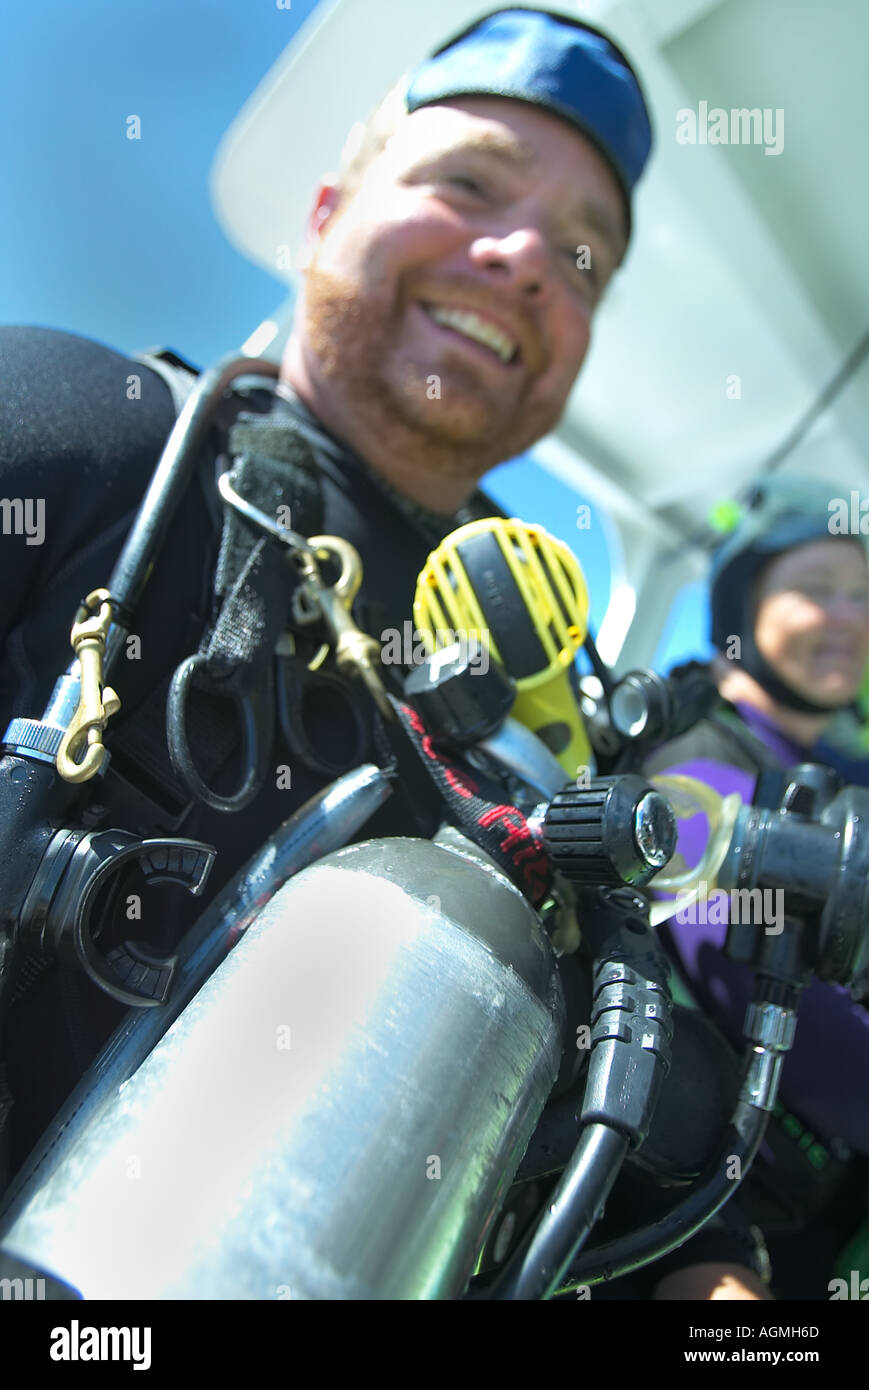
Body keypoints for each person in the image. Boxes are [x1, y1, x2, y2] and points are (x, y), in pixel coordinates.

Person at [0, 7, 766, 1299]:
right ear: (323, 214)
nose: (528, 256)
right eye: (466, 183)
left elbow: (650, 1191)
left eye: (583, 256)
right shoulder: (74, 440)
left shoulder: (567, 716)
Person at [644, 475, 869, 1299]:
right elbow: (836, 1062)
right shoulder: (691, 773)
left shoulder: (833, 770)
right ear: (742, 611)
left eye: (863, 596)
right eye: (817, 591)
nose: (850, 618)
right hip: (740, 1227)